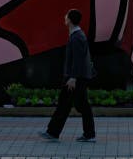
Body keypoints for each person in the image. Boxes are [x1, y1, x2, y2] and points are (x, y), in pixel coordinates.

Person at [40, 9, 96, 143]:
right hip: (76, 77)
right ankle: (55, 132)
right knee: (71, 105)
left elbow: (78, 60)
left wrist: (73, 78)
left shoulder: (77, 37)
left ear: (70, 20)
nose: (65, 17)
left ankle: (54, 132)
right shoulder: (76, 35)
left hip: (75, 78)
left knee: (73, 105)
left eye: (66, 16)